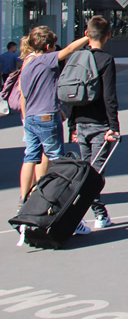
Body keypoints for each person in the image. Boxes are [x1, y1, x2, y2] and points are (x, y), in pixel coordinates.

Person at [17, 26, 90, 238]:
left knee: (31, 157)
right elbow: (67, 51)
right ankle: (62, 208)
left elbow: (29, 92)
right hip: (46, 117)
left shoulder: (27, 63)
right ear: (48, 46)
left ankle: (25, 203)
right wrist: (85, 38)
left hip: (31, 117)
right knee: (58, 162)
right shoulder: (45, 59)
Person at [68, 16, 120, 230]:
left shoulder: (77, 57)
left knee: (86, 172)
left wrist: (72, 126)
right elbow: (109, 96)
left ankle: (98, 214)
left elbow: (71, 94)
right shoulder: (106, 60)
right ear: (108, 35)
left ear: (86, 34)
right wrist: (114, 127)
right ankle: (79, 217)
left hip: (80, 123)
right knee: (94, 175)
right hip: (99, 124)